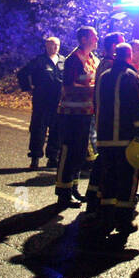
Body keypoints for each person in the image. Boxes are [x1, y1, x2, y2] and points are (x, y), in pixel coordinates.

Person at [87, 42, 139, 231]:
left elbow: (96, 104)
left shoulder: (104, 77)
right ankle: (124, 220)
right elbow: (137, 109)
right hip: (125, 139)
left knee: (108, 178)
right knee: (127, 180)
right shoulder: (130, 77)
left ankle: (105, 217)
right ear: (129, 57)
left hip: (105, 138)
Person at [54, 26, 99, 209]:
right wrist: (93, 90)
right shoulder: (73, 60)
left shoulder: (92, 59)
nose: (97, 39)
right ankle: (63, 192)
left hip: (86, 114)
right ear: (83, 39)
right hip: (71, 114)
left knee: (80, 153)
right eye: (93, 36)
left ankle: (73, 187)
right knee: (69, 152)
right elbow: (68, 87)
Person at [17, 36, 63, 170]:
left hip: (58, 101)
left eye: (57, 45)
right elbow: (22, 73)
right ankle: (35, 158)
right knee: (38, 129)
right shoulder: (39, 61)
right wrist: (28, 88)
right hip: (42, 101)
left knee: (56, 130)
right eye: (52, 45)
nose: (55, 48)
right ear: (46, 46)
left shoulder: (63, 61)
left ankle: (53, 157)